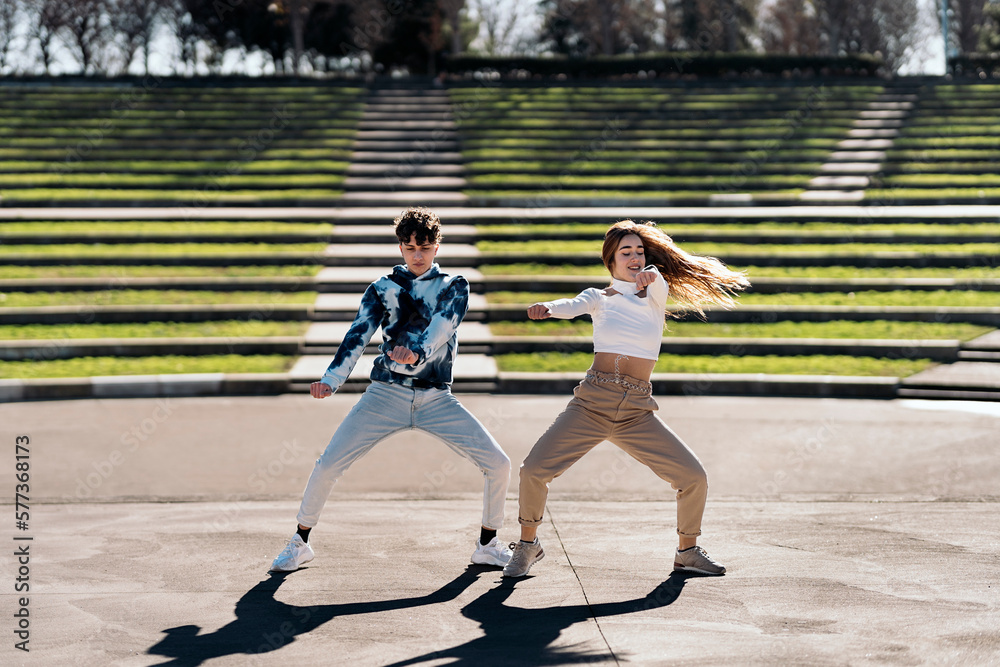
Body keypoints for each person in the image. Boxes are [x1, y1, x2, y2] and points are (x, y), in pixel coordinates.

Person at [503, 220, 750, 578]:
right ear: (611, 260)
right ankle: (528, 545)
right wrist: (548, 307)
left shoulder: (655, 293)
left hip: (636, 411)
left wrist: (651, 273)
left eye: (639, 251)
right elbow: (572, 305)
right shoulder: (598, 298)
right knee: (533, 470)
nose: (635, 257)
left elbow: (655, 277)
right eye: (626, 252)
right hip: (592, 404)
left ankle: (688, 551)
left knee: (693, 476)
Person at [270, 207, 512, 572]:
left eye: (425, 247)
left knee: (499, 463)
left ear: (436, 246)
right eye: (410, 247)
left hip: (435, 397)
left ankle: (488, 544)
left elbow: (443, 327)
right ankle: (300, 542)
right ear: (400, 247)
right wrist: (332, 380)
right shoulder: (382, 289)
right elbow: (357, 335)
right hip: (385, 394)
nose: (418, 255)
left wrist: (415, 351)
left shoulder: (454, 286)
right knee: (328, 465)